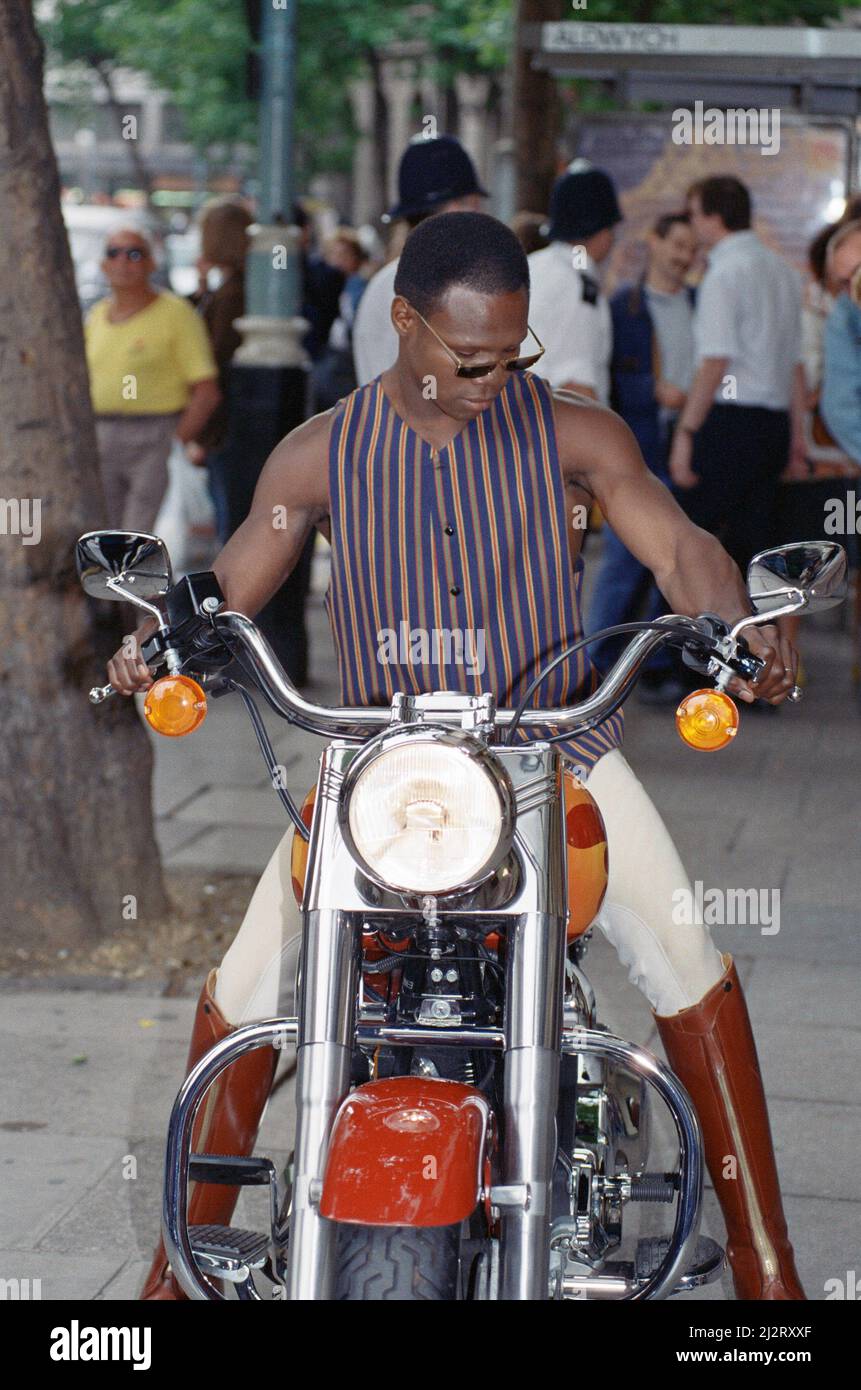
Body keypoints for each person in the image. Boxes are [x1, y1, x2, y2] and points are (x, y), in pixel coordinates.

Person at [110, 212, 805, 1303]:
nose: (496, 379)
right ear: (404, 325)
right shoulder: (320, 450)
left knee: (688, 957)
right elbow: (240, 570)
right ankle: (164, 1285)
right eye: (471, 359)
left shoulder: (579, 435)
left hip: (555, 753)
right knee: (245, 982)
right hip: (381, 774)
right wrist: (160, 637)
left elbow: (678, 544)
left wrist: (736, 622)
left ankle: (773, 1280)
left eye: (514, 355)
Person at [669, 176, 806, 581]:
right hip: (774, 426)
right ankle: (748, 643)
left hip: (729, 424)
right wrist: (798, 438)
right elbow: (794, 364)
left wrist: (686, 431)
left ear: (714, 217)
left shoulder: (724, 273)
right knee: (757, 555)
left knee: (690, 546)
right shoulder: (783, 271)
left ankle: (681, 643)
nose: (691, 224)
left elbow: (715, 361)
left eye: (694, 214)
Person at [588, 211, 698, 700]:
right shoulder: (623, 308)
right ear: (654, 242)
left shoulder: (701, 303)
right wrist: (653, 391)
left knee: (678, 557)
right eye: (677, 244)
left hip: (690, 449)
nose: (685, 256)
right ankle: (594, 664)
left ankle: (657, 660)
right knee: (625, 559)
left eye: (693, 249)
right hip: (639, 447)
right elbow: (608, 376)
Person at [84, 227, 221, 532]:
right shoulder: (96, 315)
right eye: (113, 253)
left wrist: (175, 443)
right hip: (100, 436)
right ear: (104, 264)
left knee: (138, 535)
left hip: (154, 436)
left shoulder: (176, 314)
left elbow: (206, 390)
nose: (123, 261)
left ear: (151, 263)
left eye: (134, 253)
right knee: (104, 535)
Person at [352, 134, 488, 386]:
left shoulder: (386, 282)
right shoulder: (439, 285)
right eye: (475, 204)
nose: (480, 215)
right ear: (458, 207)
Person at [185, 198, 254, 542]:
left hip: (226, 424)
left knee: (231, 520)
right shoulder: (227, 289)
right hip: (229, 424)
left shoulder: (232, 294)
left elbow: (214, 356)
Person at [526, 166, 621, 403]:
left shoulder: (533, 264)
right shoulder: (578, 283)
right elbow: (576, 382)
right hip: (559, 428)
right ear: (602, 230)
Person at [310, 229, 369, 411]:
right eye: (333, 254)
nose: (338, 260)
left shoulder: (360, 288)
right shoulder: (323, 287)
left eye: (344, 254)